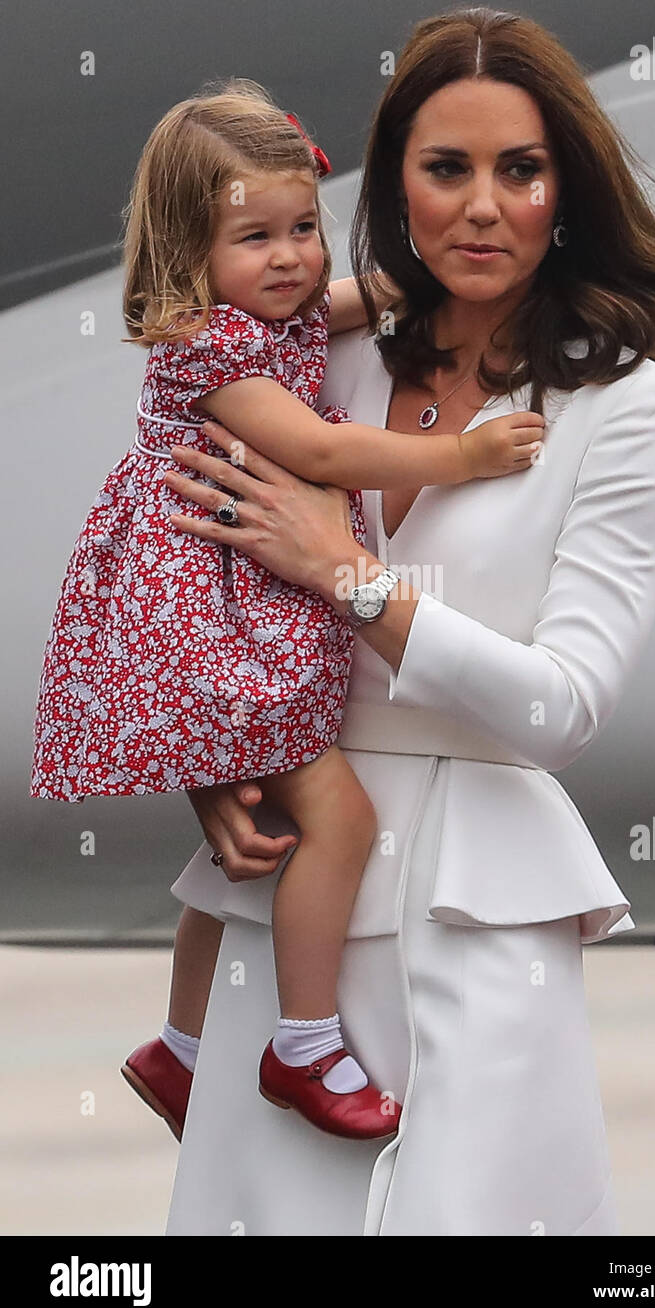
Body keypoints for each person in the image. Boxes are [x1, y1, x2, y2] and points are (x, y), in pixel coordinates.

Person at [163, 6, 655, 1236]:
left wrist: (351, 577)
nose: (480, 205)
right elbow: (188, 568)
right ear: (394, 182)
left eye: (519, 169)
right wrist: (217, 764)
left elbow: (562, 705)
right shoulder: (315, 368)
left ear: (563, 186)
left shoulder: (628, 406)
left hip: (480, 912)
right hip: (287, 883)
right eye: (444, 167)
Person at [29, 76, 543, 1142]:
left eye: (305, 225)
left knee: (246, 840)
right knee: (337, 819)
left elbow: (358, 297)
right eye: (256, 236)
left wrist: (421, 277)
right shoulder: (211, 349)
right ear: (185, 257)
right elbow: (314, 449)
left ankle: (175, 1050)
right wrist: (461, 453)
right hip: (211, 627)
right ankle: (302, 1044)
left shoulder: (270, 307)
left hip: (222, 615)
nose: (294, 258)